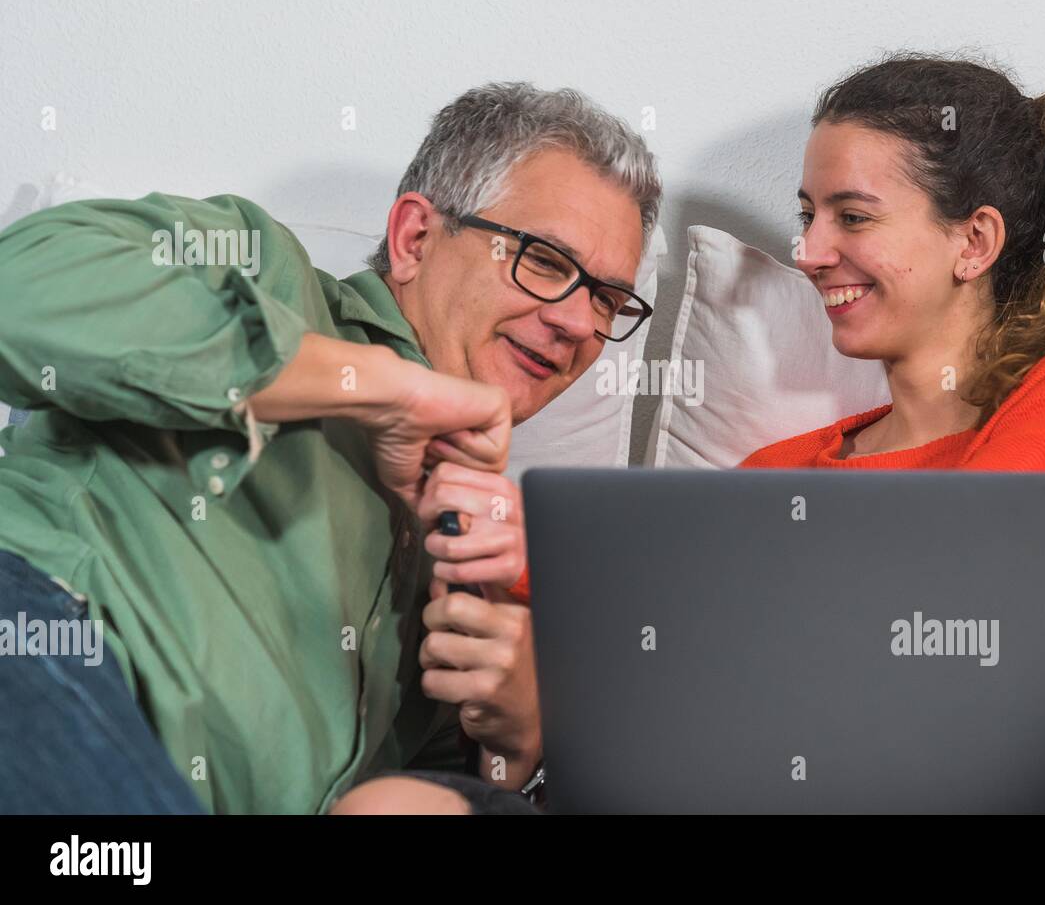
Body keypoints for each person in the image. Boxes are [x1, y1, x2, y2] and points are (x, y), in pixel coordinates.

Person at [391, 57, 1045, 816]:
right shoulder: (777, 473)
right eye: (807, 214)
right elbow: (601, 619)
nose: (810, 250)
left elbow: (980, 587)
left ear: (974, 240)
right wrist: (500, 555)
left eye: (852, 216)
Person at [0, 81, 660, 814]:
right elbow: (23, 284)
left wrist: (517, 733)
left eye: (607, 299)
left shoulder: (471, 552)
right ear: (414, 238)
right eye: (543, 259)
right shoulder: (270, 275)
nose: (576, 321)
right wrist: (377, 386)